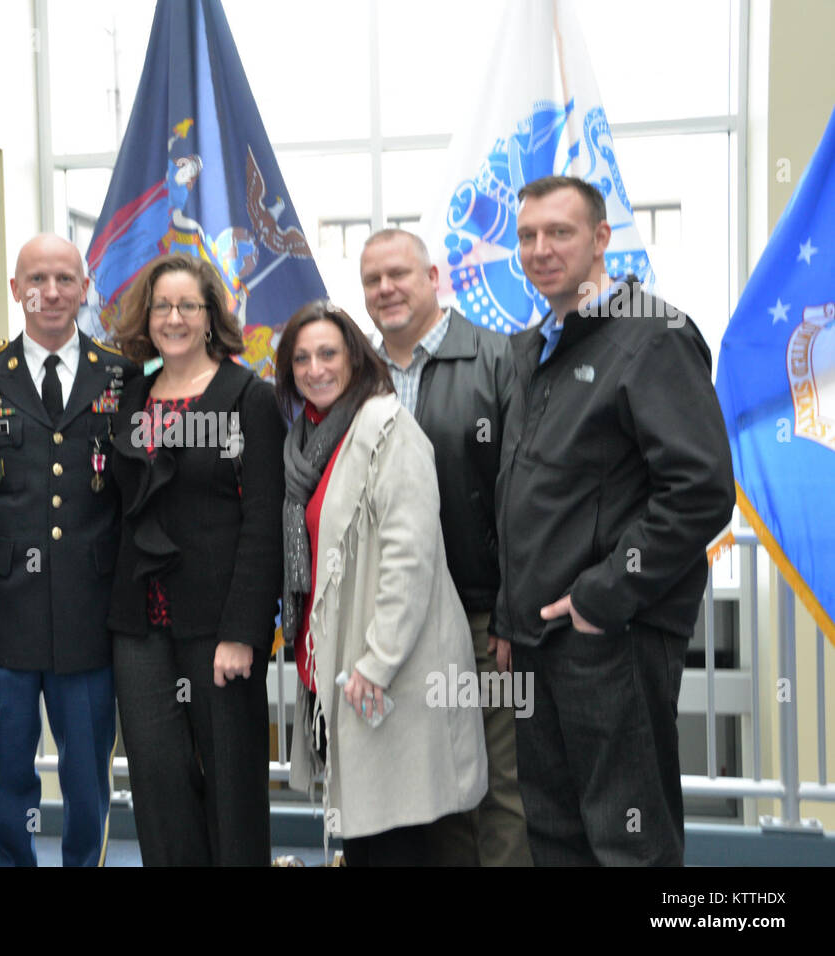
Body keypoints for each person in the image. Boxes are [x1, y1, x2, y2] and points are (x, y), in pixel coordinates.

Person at [494, 175, 735, 865]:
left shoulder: (652, 337)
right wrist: (513, 620)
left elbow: (701, 490)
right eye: (528, 236)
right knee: (555, 837)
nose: (541, 249)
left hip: (609, 639)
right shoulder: (536, 348)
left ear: (601, 238)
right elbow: (531, 496)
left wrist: (603, 597)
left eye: (560, 233)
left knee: (628, 843)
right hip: (538, 640)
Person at [278, 300, 487, 867]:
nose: (315, 368)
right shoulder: (304, 443)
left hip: (385, 671)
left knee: (395, 842)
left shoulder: (387, 428)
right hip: (332, 669)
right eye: (301, 358)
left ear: (355, 358)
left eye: (328, 354)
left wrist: (378, 661)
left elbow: (409, 556)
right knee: (365, 838)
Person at [0, 234, 136, 867]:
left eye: (65, 278)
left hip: (89, 610)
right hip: (2, 612)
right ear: (15, 290)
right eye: (37, 279)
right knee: (4, 775)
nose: (51, 292)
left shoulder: (124, 375)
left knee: (88, 779)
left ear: (85, 288)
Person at [359, 229, 531, 866]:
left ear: (433, 276)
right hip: (403, 625)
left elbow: (524, 502)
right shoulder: (360, 376)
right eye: (373, 280)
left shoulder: (499, 359)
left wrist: (512, 611)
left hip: (485, 621)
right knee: (440, 786)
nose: (386, 289)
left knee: (501, 789)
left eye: (399, 274)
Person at [106, 253, 284, 865]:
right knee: (158, 787)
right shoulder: (132, 395)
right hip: (140, 629)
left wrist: (243, 633)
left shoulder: (248, 397)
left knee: (232, 792)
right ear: (147, 316)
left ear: (210, 316)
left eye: (188, 305)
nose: (174, 317)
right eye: (162, 306)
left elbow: (265, 522)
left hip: (218, 630)